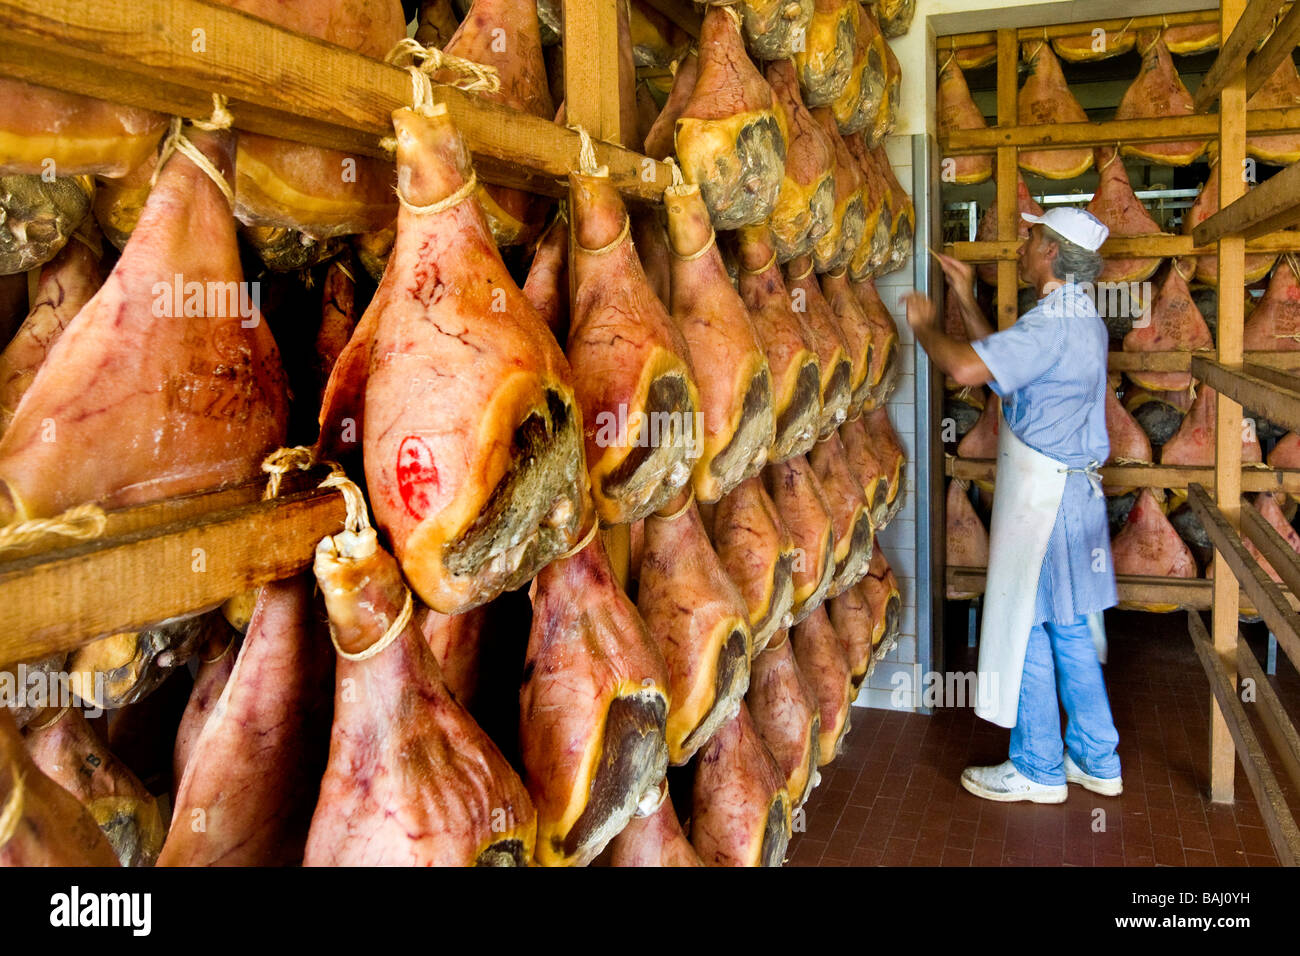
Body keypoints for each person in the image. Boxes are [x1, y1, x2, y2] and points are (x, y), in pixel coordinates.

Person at [903, 206, 1123, 804]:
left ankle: (1038, 767)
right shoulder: (1078, 316)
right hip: (1073, 493)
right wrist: (965, 297)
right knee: (1071, 626)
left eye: (1029, 236)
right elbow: (1007, 370)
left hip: (1045, 499)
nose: (1021, 244)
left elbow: (970, 368)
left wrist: (924, 325)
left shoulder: (1052, 324)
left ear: (1051, 250)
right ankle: (1098, 759)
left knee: (1023, 625)